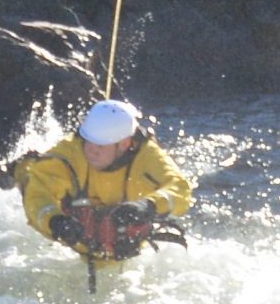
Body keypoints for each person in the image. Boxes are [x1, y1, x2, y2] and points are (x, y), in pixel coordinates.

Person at [14, 98, 194, 271]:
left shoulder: (147, 156)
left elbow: (180, 188)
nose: (92, 150)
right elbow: (38, 192)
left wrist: (148, 206)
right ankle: (18, 168)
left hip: (124, 253)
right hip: (77, 244)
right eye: (89, 141)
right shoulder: (69, 152)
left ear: (124, 144)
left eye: (101, 145)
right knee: (31, 175)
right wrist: (55, 222)